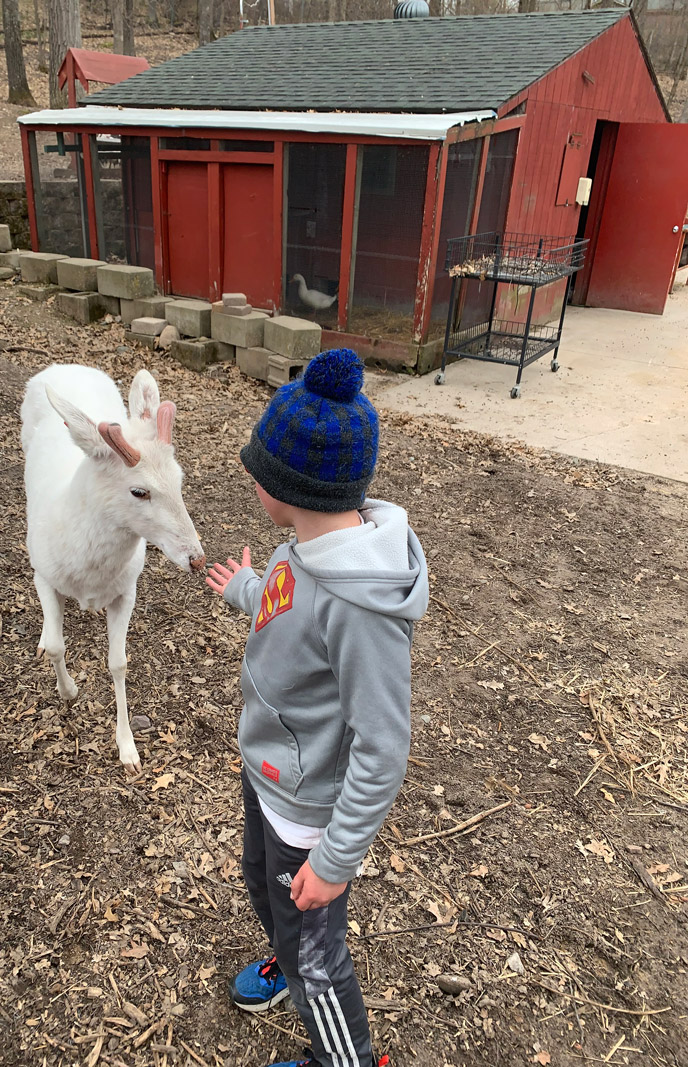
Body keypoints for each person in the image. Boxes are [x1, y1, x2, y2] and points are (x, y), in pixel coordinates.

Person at [206, 348, 429, 1067]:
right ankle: (288, 958)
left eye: (256, 462)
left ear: (285, 486)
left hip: (310, 812)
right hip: (271, 775)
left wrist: (335, 860)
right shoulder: (303, 547)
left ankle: (348, 1059)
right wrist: (245, 587)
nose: (249, 470)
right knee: (264, 887)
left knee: (320, 954)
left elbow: (384, 746)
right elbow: (282, 601)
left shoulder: (357, 605)